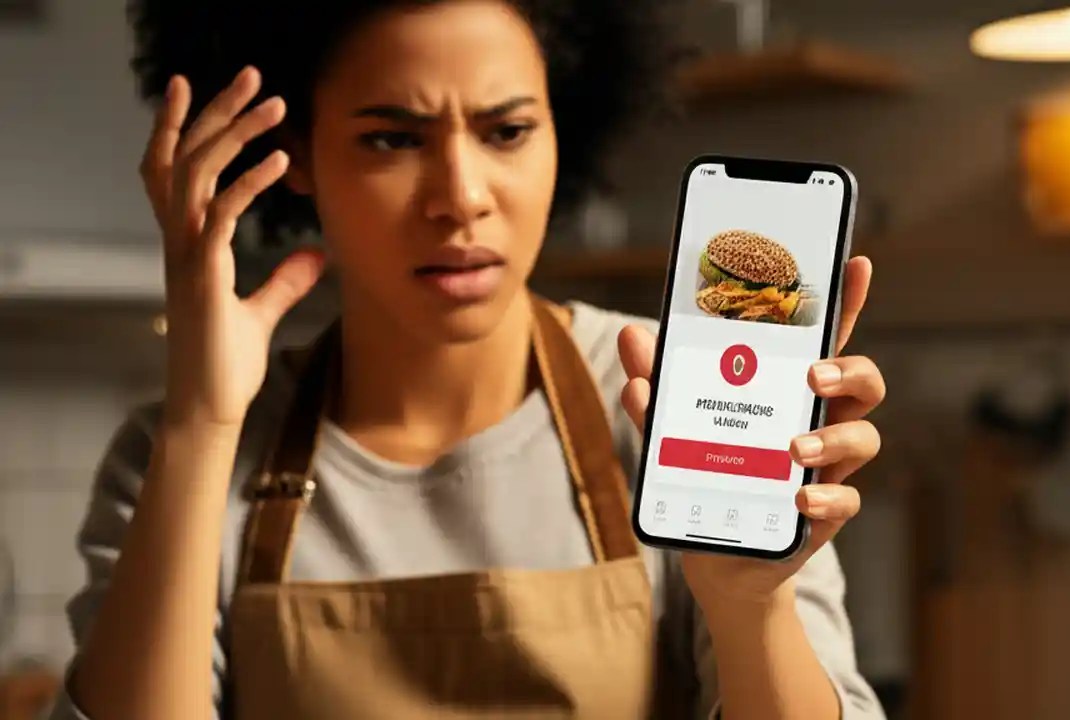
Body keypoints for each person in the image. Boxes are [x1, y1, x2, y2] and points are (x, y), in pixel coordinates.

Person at [51, 1, 888, 718]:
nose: (461, 196)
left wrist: (752, 607)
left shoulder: (667, 400)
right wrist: (202, 423)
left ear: (565, 130)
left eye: (508, 130)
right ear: (295, 152)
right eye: (390, 140)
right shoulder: (176, 455)